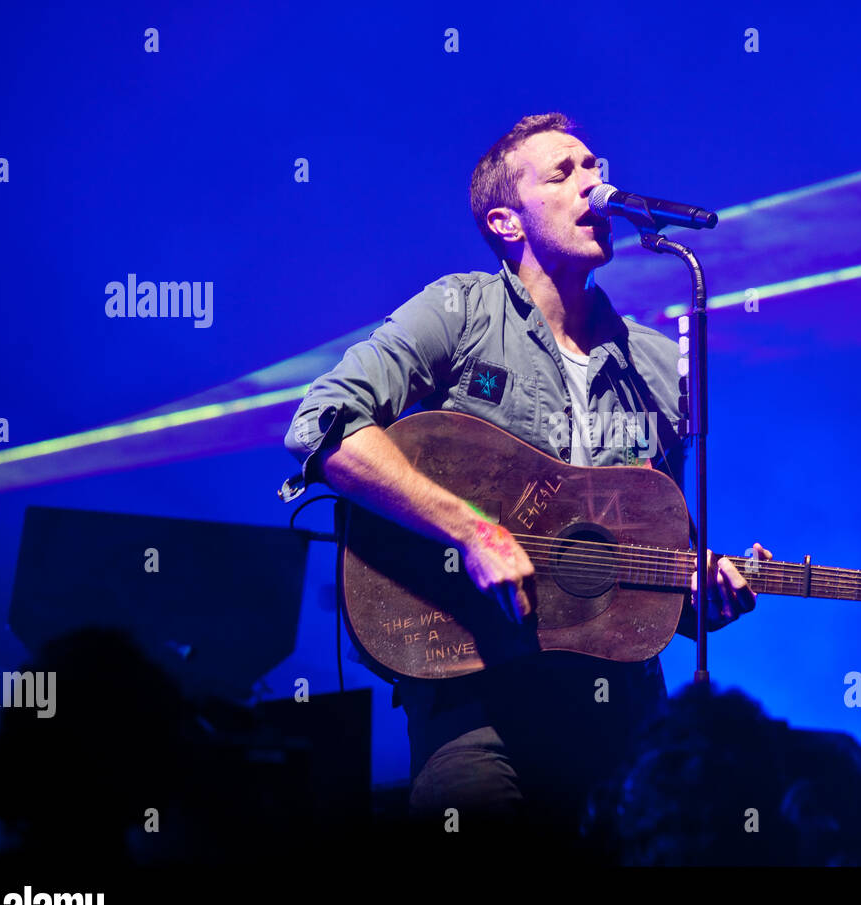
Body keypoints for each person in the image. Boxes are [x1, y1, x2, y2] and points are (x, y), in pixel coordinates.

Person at [281, 112, 770, 853]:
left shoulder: (651, 363)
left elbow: (657, 554)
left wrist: (705, 593)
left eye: (594, 164)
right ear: (506, 220)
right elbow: (324, 425)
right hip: (473, 690)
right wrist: (473, 530)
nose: (594, 181)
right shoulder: (461, 310)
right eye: (565, 172)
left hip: (618, 703)